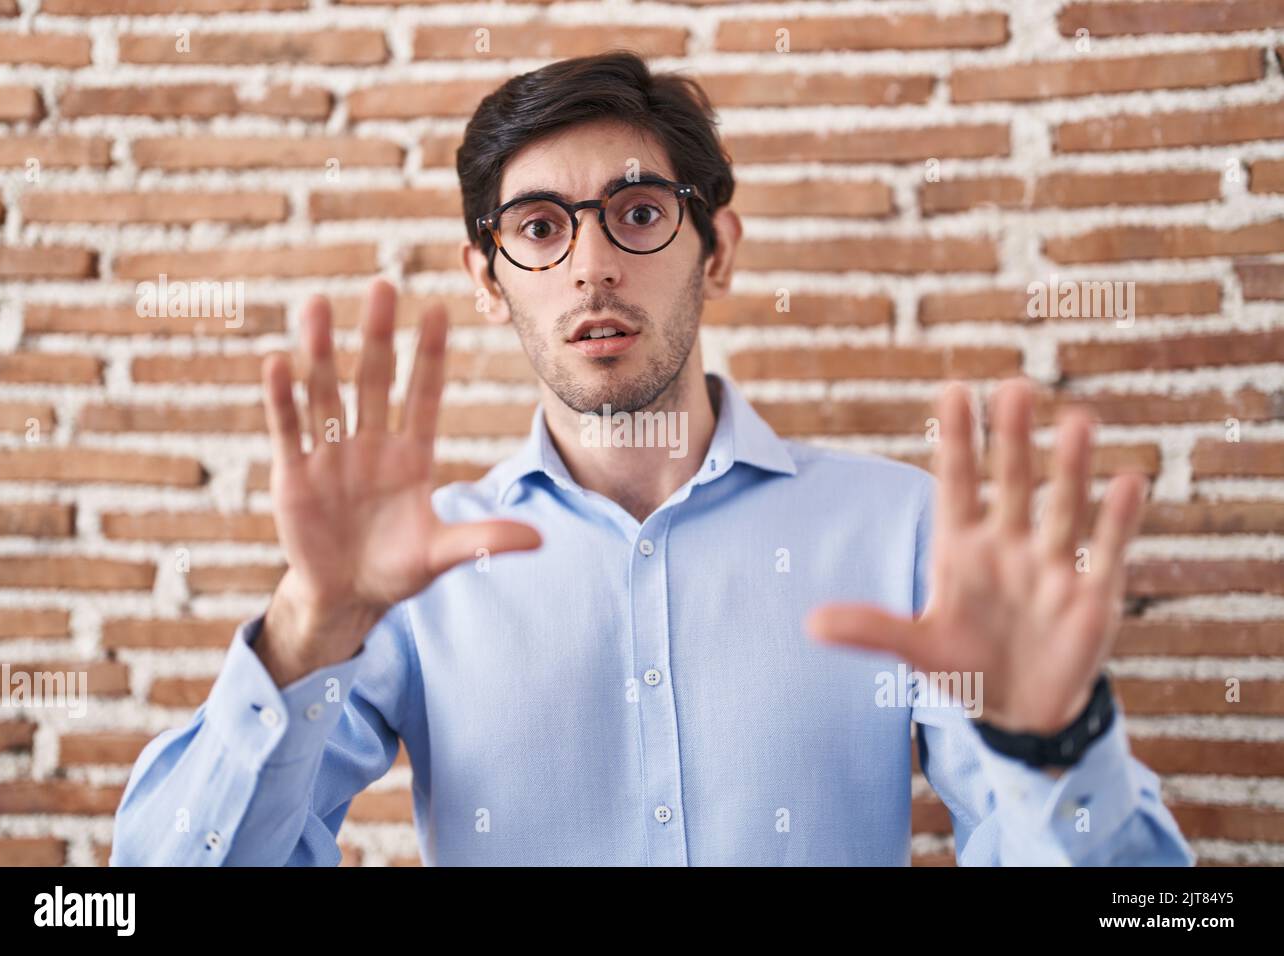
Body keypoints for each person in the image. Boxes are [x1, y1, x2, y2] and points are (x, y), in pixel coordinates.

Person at [110, 51, 1193, 866]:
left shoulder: (901, 530)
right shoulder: (408, 569)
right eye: (538, 228)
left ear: (714, 249)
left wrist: (1057, 744)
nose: (589, 267)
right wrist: (306, 628)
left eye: (635, 212)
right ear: (489, 278)